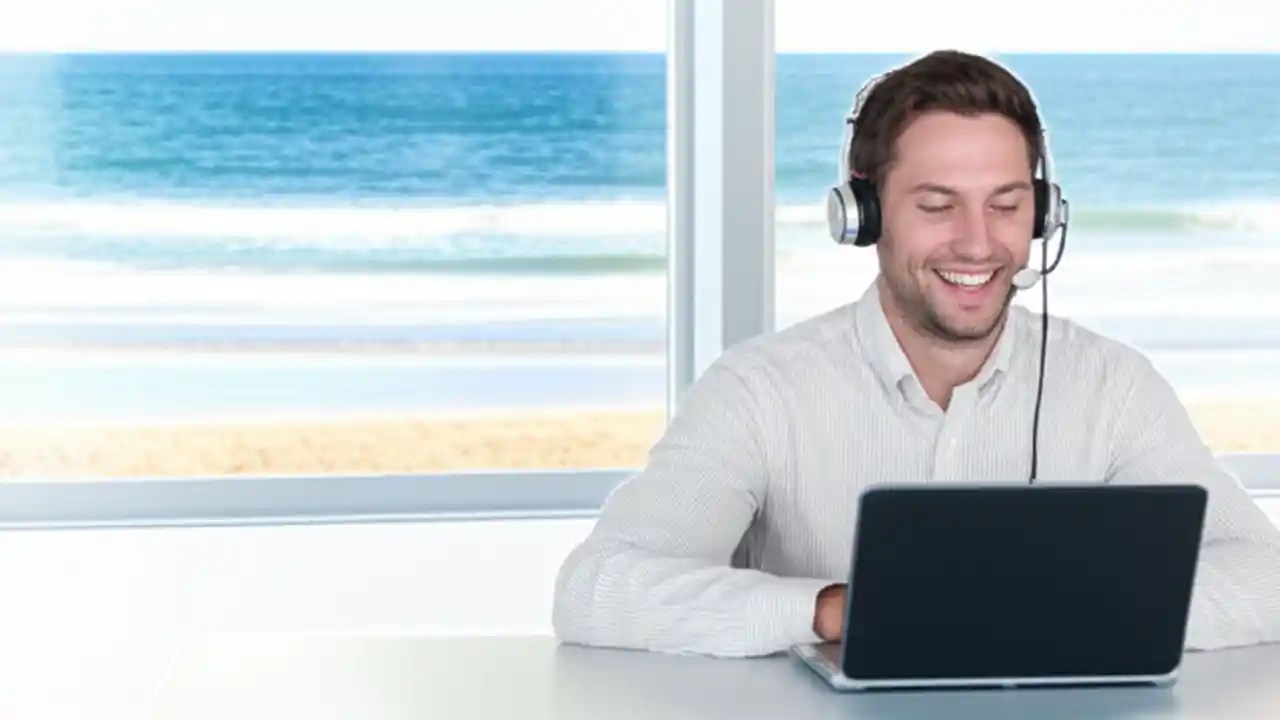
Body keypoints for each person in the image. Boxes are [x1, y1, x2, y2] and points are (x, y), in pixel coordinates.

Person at [552, 49, 1280, 658]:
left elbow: (1264, 576)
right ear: (861, 215)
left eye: (1006, 204)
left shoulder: (1113, 387)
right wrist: (841, 609)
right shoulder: (759, 391)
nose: (977, 242)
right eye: (936, 205)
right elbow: (596, 588)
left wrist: (1052, 609)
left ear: (1044, 211)